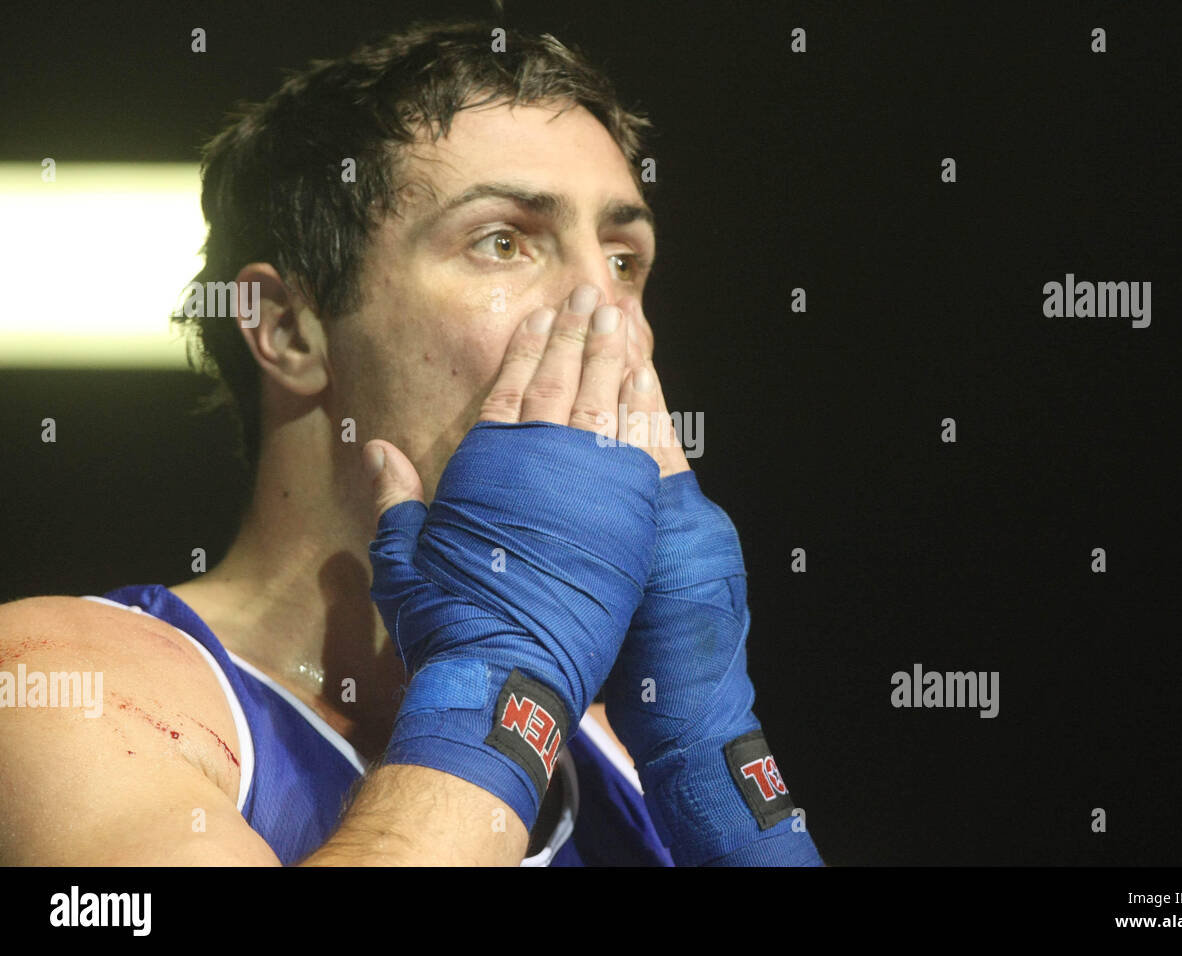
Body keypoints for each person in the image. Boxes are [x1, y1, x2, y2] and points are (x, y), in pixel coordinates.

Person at [0, 19, 821, 867]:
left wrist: (711, 753)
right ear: (288, 328)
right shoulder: (65, 690)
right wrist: (495, 688)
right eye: (503, 242)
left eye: (622, 259)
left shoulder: (630, 756)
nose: (609, 318)